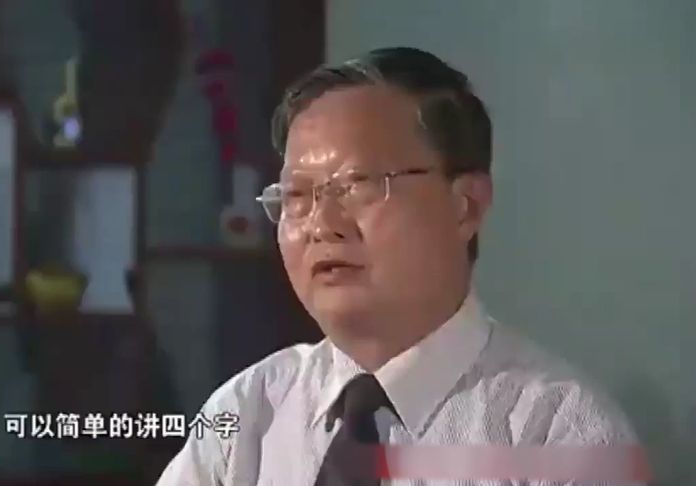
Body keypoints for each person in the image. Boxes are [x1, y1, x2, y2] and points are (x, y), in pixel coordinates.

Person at [156, 47, 643, 485]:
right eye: (297, 196)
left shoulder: (559, 434)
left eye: (359, 186)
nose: (322, 225)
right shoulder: (246, 413)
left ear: (466, 206)